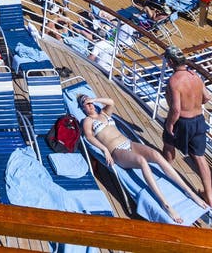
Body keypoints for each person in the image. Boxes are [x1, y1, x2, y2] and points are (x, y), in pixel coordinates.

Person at [79, 94, 206, 223]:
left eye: (89, 101)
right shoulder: (87, 121)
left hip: (129, 143)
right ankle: (165, 203)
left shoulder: (105, 113)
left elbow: (111, 101)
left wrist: (94, 100)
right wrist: (104, 149)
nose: (89, 104)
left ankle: (190, 192)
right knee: (141, 161)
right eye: (85, 103)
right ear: (82, 108)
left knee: (157, 155)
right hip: (117, 151)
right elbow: (89, 137)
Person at [162, 45, 212, 206]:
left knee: (168, 144)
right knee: (199, 157)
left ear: (170, 61)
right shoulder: (195, 76)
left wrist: (170, 124)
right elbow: (207, 97)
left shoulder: (174, 81)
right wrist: (194, 102)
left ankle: (167, 173)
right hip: (198, 120)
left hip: (182, 122)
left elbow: (175, 109)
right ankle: (209, 196)